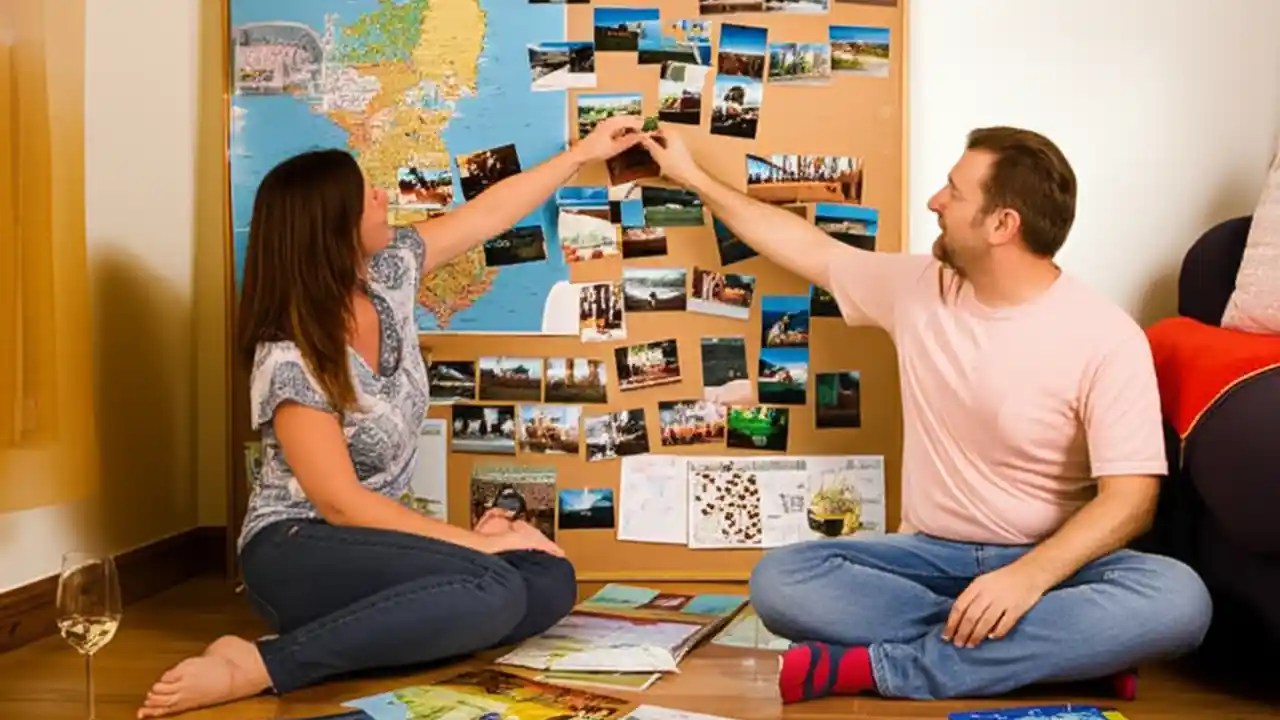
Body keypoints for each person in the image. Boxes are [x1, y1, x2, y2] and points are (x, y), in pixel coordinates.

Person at [636, 126, 1213, 703]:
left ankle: (888, 670)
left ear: (1001, 225)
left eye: (954, 192)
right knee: (779, 582)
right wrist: (690, 177)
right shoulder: (917, 288)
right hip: (926, 557)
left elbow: (1131, 501)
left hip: (1051, 566)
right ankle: (1052, 657)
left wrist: (1026, 578)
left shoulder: (1106, 336)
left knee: (1180, 601)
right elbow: (807, 247)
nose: (935, 201)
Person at [136, 116, 647, 719]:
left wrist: (586, 151)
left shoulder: (389, 274)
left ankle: (344, 638)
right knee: (496, 584)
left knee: (547, 579)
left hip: (378, 542)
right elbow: (342, 506)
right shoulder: (289, 355)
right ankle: (265, 666)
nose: (383, 196)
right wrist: (477, 545)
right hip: (297, 549)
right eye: (367, 194)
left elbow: (489, 215)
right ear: (336, 230)